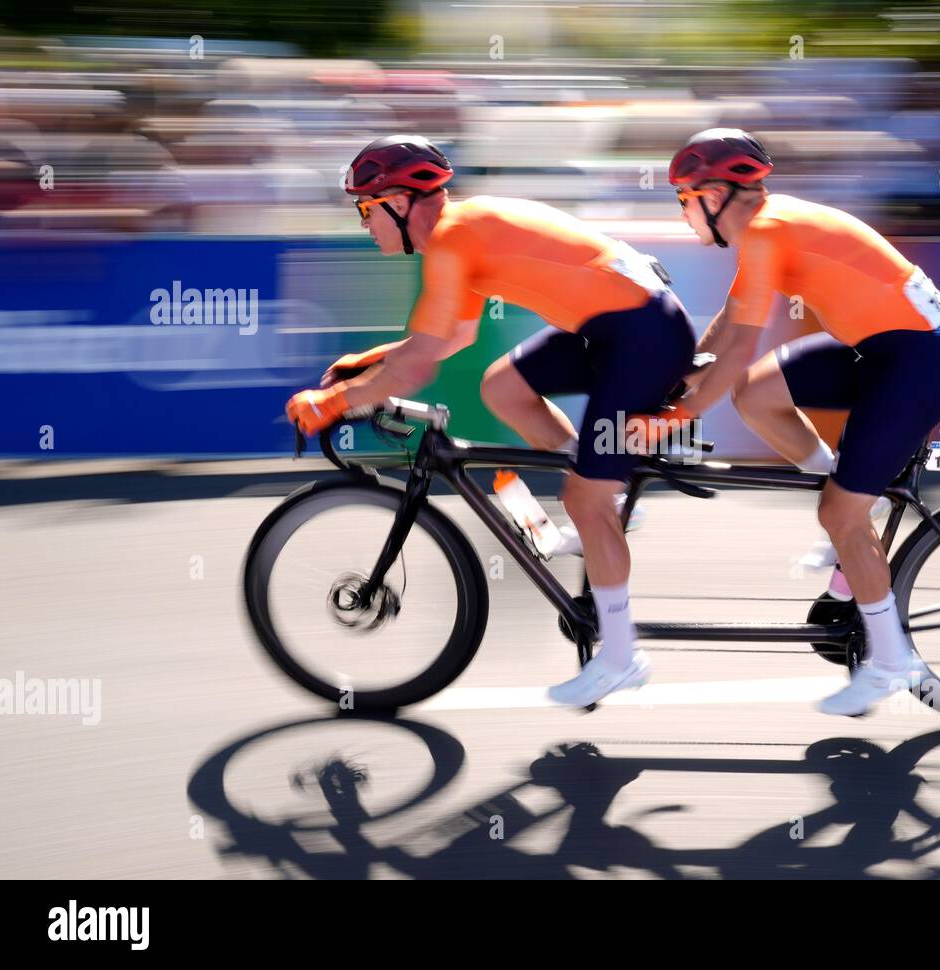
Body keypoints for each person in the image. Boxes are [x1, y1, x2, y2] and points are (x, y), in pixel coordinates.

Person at [285, 135, 696, 707]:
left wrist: (333, 402)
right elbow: (451, 336)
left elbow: (419, 365)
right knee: (504, 387)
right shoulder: (460, 233)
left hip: (641, 336)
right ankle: (613, 497)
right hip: (621, 326)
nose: (365, 223)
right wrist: (367, 362)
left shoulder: (453, 238)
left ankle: (622, 656)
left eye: (366, 209)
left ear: (399, 202)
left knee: (584, 499)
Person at [661, 129, 940, 717]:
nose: (683, 211)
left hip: (916, 364)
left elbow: (741, 343)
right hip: (880, 351)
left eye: (685, 198)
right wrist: (684, 376)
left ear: (717, 195)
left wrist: (680, 416)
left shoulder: (768, 229)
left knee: (838, 514)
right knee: (756, 393)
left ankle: (891, 662)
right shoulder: (766, 228)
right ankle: (853, 506)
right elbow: (731, 322)